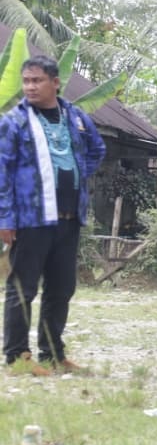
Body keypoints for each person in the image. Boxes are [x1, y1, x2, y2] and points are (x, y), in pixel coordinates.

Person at [0, 55, 105, 374]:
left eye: (37, 80)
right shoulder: (13, 121)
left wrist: (74, 172)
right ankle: (18, 356)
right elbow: (1, 171)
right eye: (26, 81)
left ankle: (53, 354)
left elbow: (97, 149)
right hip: (31, 217)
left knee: (61, 288)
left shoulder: (74, 116)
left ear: (55, 83)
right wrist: (5, 218)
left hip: (69, 216)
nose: (30, 86)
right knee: (23, 287)